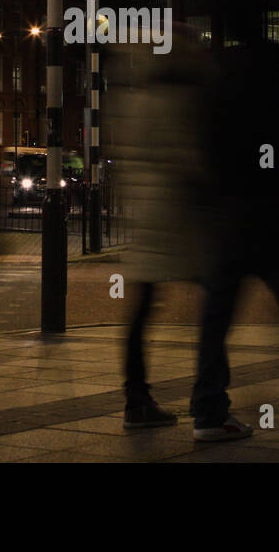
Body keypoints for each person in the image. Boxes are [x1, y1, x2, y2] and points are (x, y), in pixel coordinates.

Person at [191, 0, 279, 441]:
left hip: (228, 210)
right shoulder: (272, 64)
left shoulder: (218, 71)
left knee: (216, 314)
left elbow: (208, 137)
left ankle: (207, 410)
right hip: (265, 209)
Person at [108, 28, 214, 428]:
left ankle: (136, 397)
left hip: (147, 218)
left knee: (142, 307)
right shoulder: (175, 99)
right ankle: (209, 399)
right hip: (178, 216)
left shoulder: (134, 100)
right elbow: (190, 158)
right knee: (215, 297)